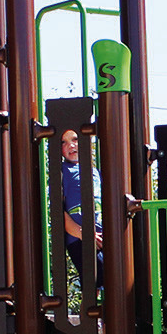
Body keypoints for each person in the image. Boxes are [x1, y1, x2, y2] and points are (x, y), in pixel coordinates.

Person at [57, 128, 99, 301]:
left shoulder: (94, 171)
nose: (71, 145)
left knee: (110, 278)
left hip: (99, 234)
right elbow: (60, 212)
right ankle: (90, 320)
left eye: (74, 139)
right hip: (79, 238)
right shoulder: (62, 171)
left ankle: (103, 323)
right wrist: (83, 234)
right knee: (93, 281)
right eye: (64, 142)